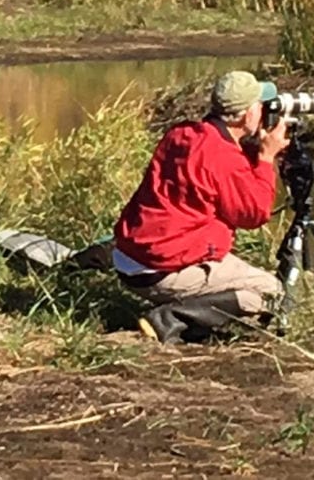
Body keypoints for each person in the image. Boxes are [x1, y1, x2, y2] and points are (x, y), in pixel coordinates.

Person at [113, 69, 289, 344]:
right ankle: (169, 320)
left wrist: (251, 153)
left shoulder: (182, 134)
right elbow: (254, 214)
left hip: (130, 257)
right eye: (259, 105)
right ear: (247, 115)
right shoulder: (222, 156)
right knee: (272, 294)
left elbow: (207, 177)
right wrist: (266, 159)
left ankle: (188, 316)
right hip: (162, 267)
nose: (264, 110)